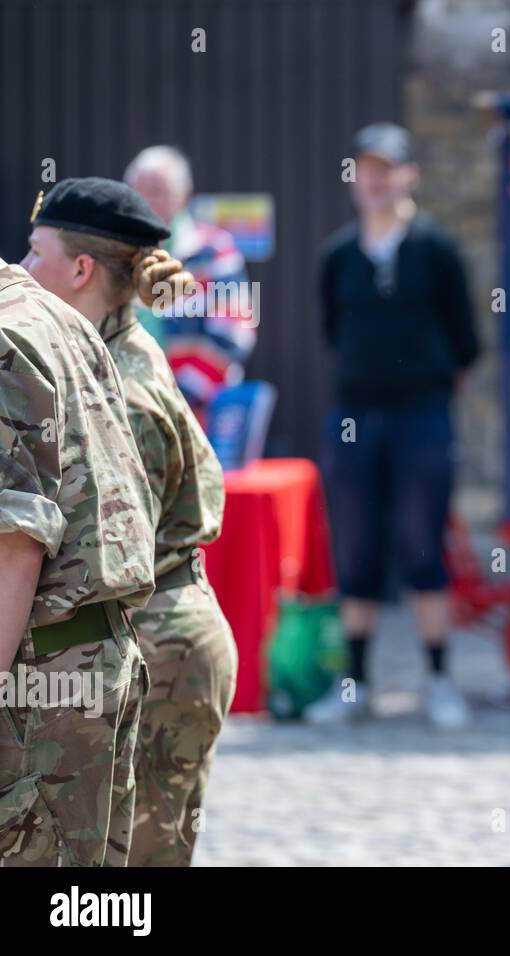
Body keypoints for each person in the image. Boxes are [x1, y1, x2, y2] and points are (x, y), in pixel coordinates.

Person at [23, 178, 237, 866]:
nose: (21, 273)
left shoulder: (124, 390)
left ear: (80, 269)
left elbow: (114, 558)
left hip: (158, 645)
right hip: (150, 639)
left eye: (33, 254)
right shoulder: (99, 357)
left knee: (138, 871)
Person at [310, 122, 480, 728]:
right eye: (364, 169)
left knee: (420, 540)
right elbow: (333, 330)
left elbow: (466, 339)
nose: (375, 181)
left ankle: (438, 681)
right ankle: (354, 686)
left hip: (422, 414)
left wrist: (424, 381)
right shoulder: (337, 255)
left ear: (409, 175)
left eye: (387, 169)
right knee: (354, 544)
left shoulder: (437, 250)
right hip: (355, 416)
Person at [0, 232, 156, 866]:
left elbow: (15, 544)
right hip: (94, 657)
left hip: (37, 678)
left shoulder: (7, 337)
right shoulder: (56, 316)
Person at [125, 146, 255, 425]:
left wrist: (180, 396)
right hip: (129, 413)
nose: (144, 200)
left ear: (183, 196)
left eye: (156, 190)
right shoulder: (117, 254)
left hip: (199, 413)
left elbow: (235, 334)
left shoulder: (213, 251)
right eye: (137, 190)